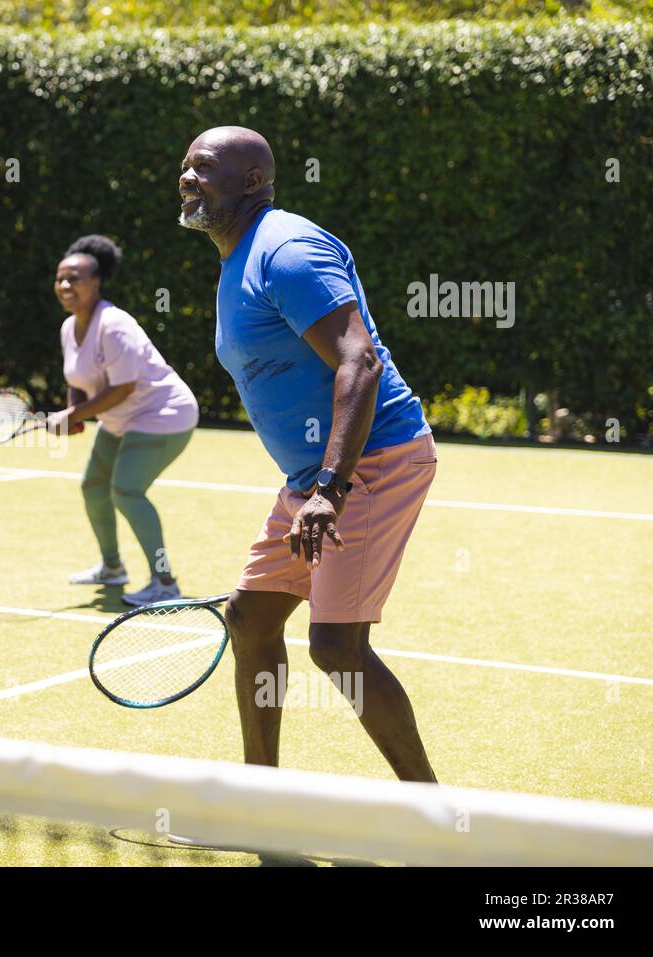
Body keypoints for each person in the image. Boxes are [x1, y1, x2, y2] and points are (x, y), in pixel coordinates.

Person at [177, 127, 439, 782]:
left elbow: (360, 361)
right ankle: (263, 801)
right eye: (184, 165)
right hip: (312, 477)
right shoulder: (237, 257)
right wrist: (314, 483)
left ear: (253, 180)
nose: (187, 176)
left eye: (204, 167)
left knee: (337, 647)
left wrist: (330, 488)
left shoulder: (286, 250)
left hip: (369, 462)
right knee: (252, 618)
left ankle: (435, 817)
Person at [46, 234, 200, 607]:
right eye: (61, 278)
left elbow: (123, 387)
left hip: (163, 413)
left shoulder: (114, 325)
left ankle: (165, 583)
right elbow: (78, 381)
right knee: (93, 487)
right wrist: (75, 410)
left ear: (96, 283)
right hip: (121, 419)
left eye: (75, 278)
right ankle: (112, 568)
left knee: (127, 491)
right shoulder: (70, 328)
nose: (66, 285)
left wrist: (73, 415)